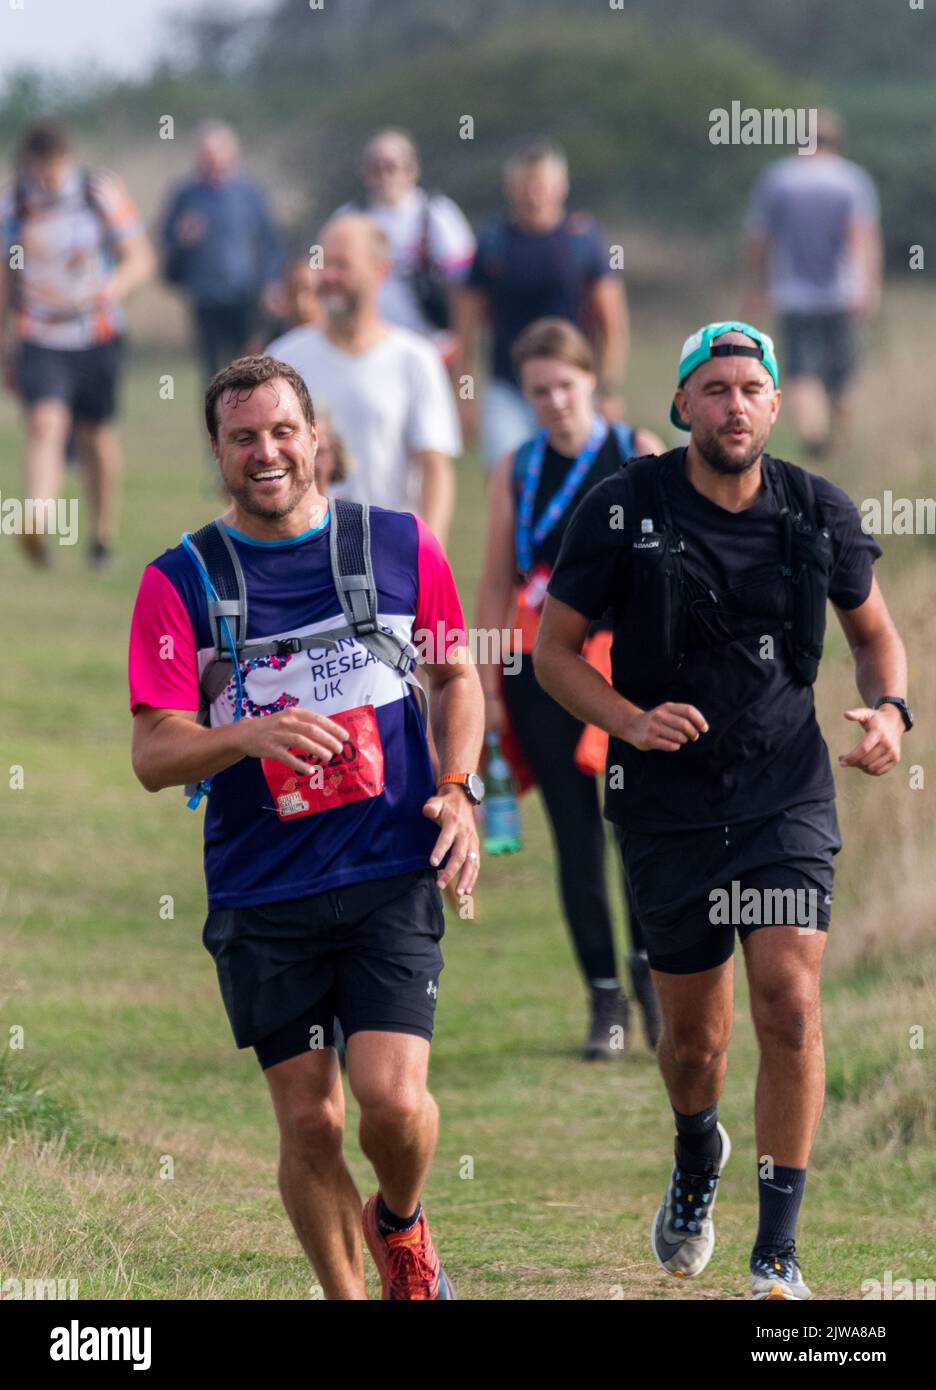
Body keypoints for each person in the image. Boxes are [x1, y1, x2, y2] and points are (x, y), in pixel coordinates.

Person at [534, 322, 910, 1299]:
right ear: (680, 406)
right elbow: (555, 650)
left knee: (789, 1003)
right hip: (667, 807)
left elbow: (877, 638)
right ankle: (697, 1152)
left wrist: (892, 712)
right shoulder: (623, 509)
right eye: (714, 388)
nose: (734, 404)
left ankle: (777, 1251)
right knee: (694, 1038)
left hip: (784, 791)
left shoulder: (816, 509)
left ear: (776, 405)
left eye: (751, 388)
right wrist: (628, 718)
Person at [128, 355, 484, 1300]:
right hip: (262, 888)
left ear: (316, 435)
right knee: (311, 1125)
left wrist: (459, 786)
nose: (267, 452)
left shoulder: (402, 545)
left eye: (283, 431)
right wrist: (245, 734)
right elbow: (154, 754)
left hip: (389, 864)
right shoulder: (181, 580)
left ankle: (401, 1222)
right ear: (218, 451)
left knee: (392, 1104)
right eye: (243, 438)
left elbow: (456, 678)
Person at [476, 318, 664, 1058]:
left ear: (592, 380)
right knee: (574, 836)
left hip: (623, 669)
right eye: (538, 391)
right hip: (536, 666)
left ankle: (654, 981)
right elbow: (495, 579)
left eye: (565, 385)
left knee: (637, 831)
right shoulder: (516, 468)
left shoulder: (634, 450)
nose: (554, 401)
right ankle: (604, 1003)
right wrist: (488, 680)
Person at [0, 122, 154, 568]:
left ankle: (102, 536)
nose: (46, 179)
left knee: (95, 433)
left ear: (67, 160)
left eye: (53, 170)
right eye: (38, 170)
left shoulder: (98, 192)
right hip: (40, 332)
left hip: (96, 332)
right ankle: (39, 521)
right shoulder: (15, 202)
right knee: (45, 424)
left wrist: (113, 287)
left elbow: (140, 258)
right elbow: (5, 277)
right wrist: (5, 339)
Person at [266, 214, 461, 545]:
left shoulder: (415, 359)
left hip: (388, 552)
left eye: (342, 265)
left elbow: (434, 468)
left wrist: (430, 554)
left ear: (380, 270)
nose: (328, 276)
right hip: (300, 552)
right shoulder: (284, 359)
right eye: (323, 263)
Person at [456, 140, 629, 468]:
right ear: (510, 189)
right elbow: (466, 328)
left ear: (561, 187)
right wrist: (465, 394)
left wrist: (609, 388)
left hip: (571, 382)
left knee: (577, 473)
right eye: (525, 186)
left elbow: (613, 324)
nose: (534, 195)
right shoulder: (493, 242)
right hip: (508, 385)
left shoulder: (583, 241)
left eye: (542, 186)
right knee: (507, 474)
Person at [743, 109, 882, 459]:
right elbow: (862, 237)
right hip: (842, 292)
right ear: (836, 141)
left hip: (792, 294)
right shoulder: (852, 180)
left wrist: (758, 287)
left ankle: (815, 437)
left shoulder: (778, 179)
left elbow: (761, 240)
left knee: (799, 371)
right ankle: (839, 439)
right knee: (841, 374)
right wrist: (868, 286)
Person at [336, 128, 475, 365]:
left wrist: (463, 345)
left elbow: (464, 285)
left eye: (391, 166)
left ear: (412, 169)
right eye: (375, 167)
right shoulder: (349, 218)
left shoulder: (437, 214)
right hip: (368, 349)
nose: (384, 175)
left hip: (431, 347)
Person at [160, 121, 284, 382]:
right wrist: (183, 241)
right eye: (207, 157)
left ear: (232, 156)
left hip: (246, 298)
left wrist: (272, 283)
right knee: (214, 373)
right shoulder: (186, 196)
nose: (213, 163)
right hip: (206, 300)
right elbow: (168, 250)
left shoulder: (250, 194)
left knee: (251, 368)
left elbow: (271, 244)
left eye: (219, 156)